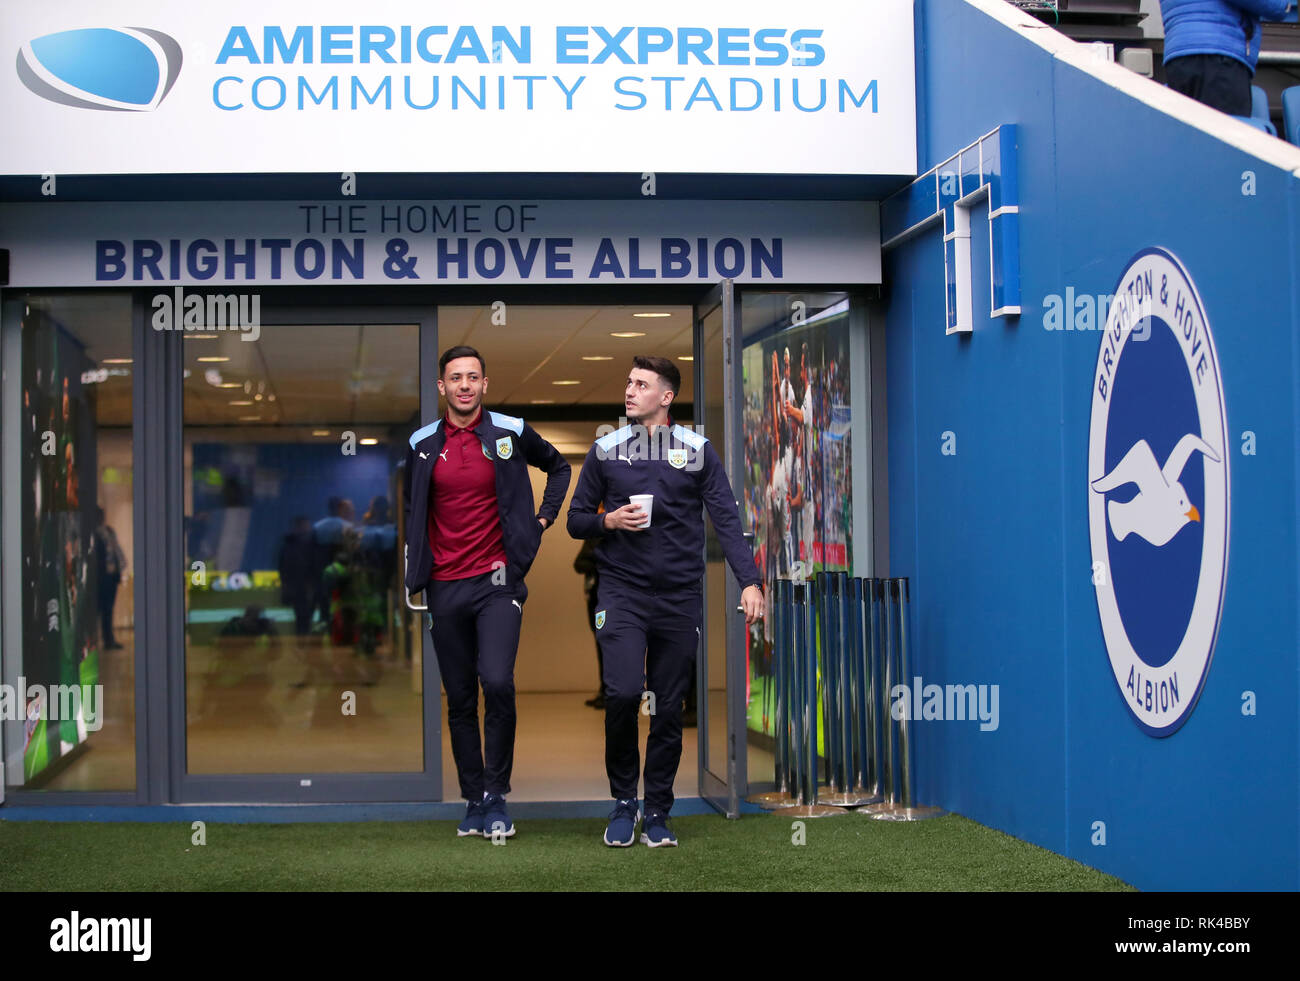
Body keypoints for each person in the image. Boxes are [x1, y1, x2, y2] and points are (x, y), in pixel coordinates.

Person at [567, 355, 764, 848]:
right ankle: (623, 802)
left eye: (641, 384)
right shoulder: (606, 449)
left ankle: (657, 809)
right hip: (621, 592)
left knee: (669, 708)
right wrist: (608, 521)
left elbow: (726, 519)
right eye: (629, 382)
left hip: (679, 598)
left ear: (666, 396)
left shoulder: (697, 450)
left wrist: (751, 581)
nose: (629, 391)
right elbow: (574, 520)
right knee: (623, 693)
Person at [404, 345, 571, 839]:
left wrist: (540, 523)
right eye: (455, 378)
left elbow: (559, 467)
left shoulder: (510, 432)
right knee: (459, 698)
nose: (464, 385)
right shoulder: (421, 443)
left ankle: (497, 795)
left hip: (498, 582)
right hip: (444, 586)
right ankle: (473, 800)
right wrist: (418, 567)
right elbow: (414, 509)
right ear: (441, 387)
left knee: (496, 681)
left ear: (484, 384)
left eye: (472, 377)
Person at [1158, 0, 1291, 116]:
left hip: (1178, 57)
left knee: (1189, 139)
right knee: (1224, 138)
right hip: (1219, 56)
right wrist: (1282, 5)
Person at [92, 507, 126, 650]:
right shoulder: (94, 534)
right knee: (102, 609)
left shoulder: (109, 531)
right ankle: (104, 639)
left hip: (111, 576)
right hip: (102, 577)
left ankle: (109, 639)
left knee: (108, 609)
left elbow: (117, 550)